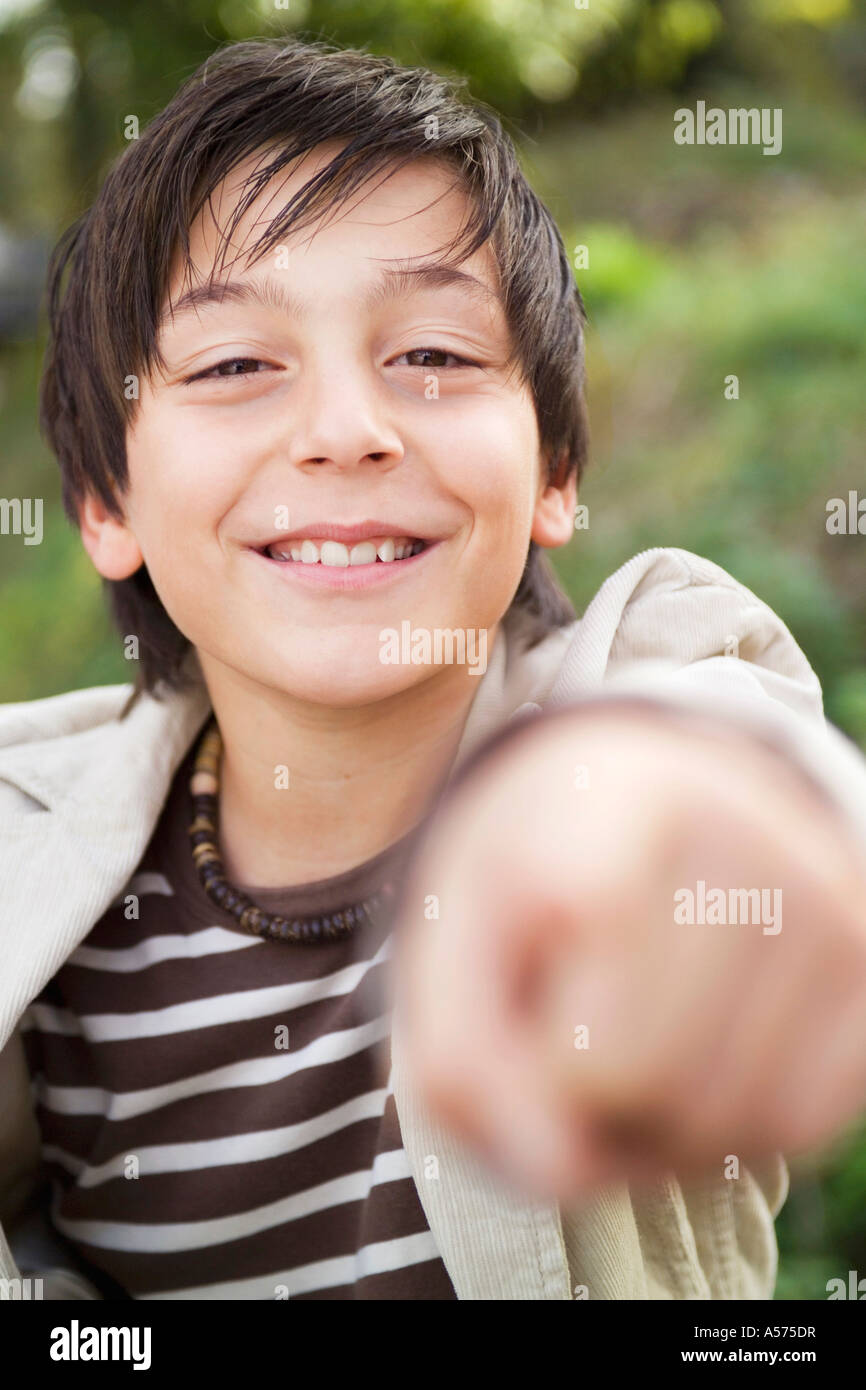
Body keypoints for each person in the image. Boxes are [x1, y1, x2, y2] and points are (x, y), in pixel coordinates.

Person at [1, 36, 865, 1301]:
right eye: (236, 363)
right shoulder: (30, 843)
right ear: (102, 501)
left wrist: (711, 855)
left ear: (554, 476)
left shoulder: (636, 700)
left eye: (436, 357)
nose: (347, 430)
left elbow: (743, 781)